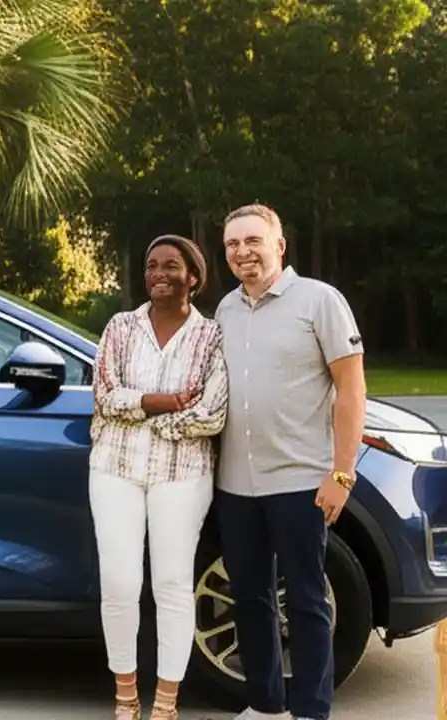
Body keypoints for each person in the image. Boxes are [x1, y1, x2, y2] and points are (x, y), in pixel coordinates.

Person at [214, 204, 366, 720]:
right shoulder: (226, 310)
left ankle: (310, 711)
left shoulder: (320, 301)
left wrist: (342, 472)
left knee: (306, 601)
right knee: (249, 598)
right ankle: (265, 706)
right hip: (236, 484)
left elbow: (352, 390)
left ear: (279, 246)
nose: (243, 252)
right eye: (233, 244)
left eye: (253, 241)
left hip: (300, 481)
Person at [90, 234, 230, 720]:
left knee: (171, 583)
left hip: (182, 474)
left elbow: (211, 413)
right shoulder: (120, 327)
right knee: (119, 582)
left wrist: (144, 415)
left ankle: (165, 704)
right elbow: (105, 396)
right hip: (115, 468)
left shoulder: (211, 336)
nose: (159, 273)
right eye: (152, 265)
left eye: (171, 265)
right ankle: (126, 698)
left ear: (193, 276)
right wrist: (161, 402)